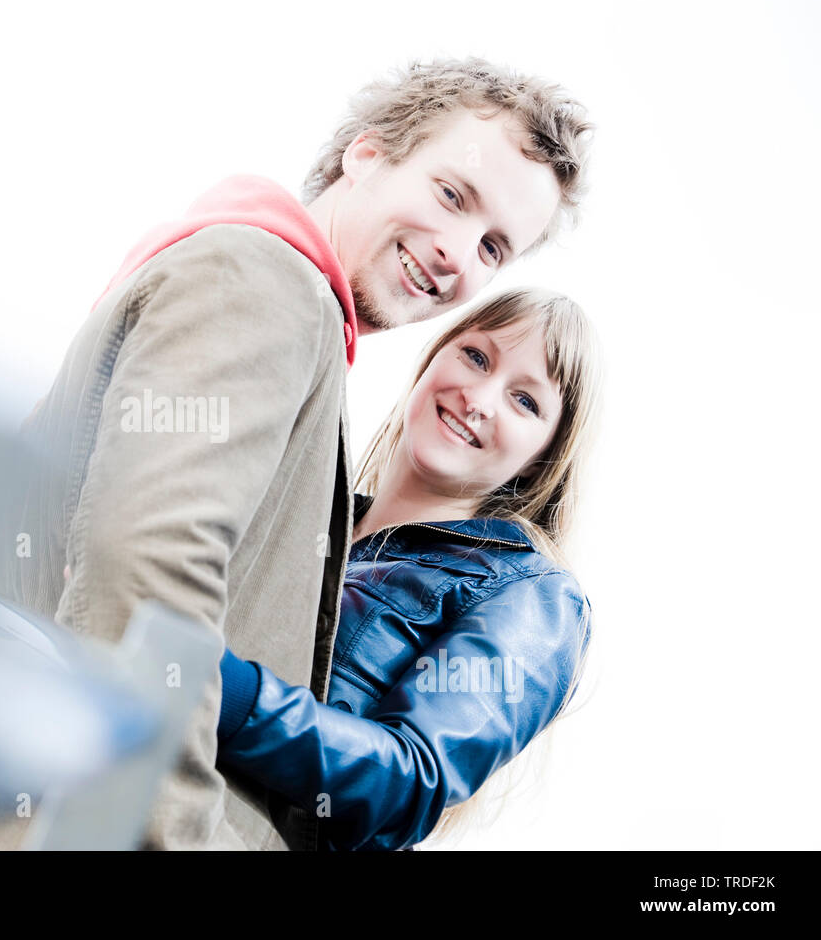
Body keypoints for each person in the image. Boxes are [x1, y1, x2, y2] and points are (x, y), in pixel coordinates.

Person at [0, 58, 593, 851]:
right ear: (366, 155)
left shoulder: (271, 293)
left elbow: (405, 776)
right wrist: (171, 832)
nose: (457, 255)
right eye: (452, 194)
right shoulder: (270, 285)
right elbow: (152, 569)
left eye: (494, 247)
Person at [215, 288, 603, 850]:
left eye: (525, 401)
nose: (481, 399)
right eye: (476, 357)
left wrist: (226, 691)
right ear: (432, 358)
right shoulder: (304, 504)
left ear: (544, 456)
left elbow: (408, 778)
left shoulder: (535, 597)